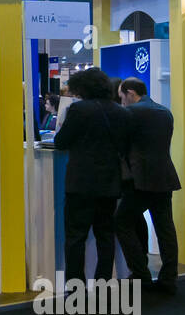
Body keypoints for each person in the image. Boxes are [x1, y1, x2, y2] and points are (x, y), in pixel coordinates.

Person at [52, 66, 131, 287]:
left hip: (81, 183)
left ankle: (75, 286)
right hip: (110, 183)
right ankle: (103, 283)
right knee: (105, 236)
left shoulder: (79, 110)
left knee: (76, 237)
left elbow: (61, 142)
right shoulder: (122, 113)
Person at [114, 77, 181, 295]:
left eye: (122, 97)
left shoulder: (131, 113)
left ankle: (141, 275)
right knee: (165, 227)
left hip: (139, 179)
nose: (121, 101)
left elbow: (121, 145)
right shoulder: (165, 112)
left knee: (122, 222)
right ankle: (169, 277)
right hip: (164, 176)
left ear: (130, 93)